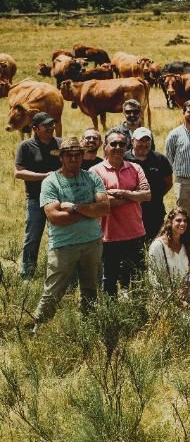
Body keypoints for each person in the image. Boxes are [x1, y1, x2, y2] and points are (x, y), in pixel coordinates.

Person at [32, 137, 110, 327]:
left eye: (77, 155)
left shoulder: (92, 177)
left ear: (82, 156)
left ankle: (88, 327)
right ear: (61, 158)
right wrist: (89, 212)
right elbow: (55, 217)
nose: (74, 159)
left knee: (91, 289)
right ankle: (39, 328)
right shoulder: (51, 181)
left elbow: (105, 208)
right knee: (53, 291)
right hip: (63, 245)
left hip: (92, 242)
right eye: (69, 156)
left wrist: (74, 208)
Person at [91, 131, 151, 296]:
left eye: (122, 144)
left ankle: (139, 311)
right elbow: (101, 203)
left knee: (137, 277)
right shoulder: (95, 172)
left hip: (135, 232)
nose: (118, 148)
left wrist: (121, 193)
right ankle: (112, 316)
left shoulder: (135, 167)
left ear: (127, 147)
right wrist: (132, 196)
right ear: (104, 147)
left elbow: (147, 195)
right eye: (113, 144)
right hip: (108, 236)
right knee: (109, 279)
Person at [15, 112, 62, 279]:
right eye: (46, 125)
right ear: (35, 128)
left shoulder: (60, 143)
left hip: (59, 199)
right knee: (32, 237)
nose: (51, 128)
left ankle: (56, 272)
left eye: (52, 124)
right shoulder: (26, 146)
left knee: (58, 237)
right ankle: (27, 274)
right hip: (36, 199)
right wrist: (44, 177)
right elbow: (18, 173)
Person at [147, 207, 190, 312]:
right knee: (187, 324)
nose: (182, 223)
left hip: (186, 287)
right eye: (178, 220)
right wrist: (175, 297)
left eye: (185, 221)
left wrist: (185, 287)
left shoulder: (186, 242)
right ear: (170, 222)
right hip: (165, 291)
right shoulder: (158, 246)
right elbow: (155, 278)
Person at [126, 126, 172, 242]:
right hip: (129, 210)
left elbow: (168, 183)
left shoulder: (160, 159)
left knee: (155, 242)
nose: (144, 144)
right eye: (140, 140)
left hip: (155, 210)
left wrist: (155, 196)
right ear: (132, 141)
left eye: (147, 140)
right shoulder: (124, 159)